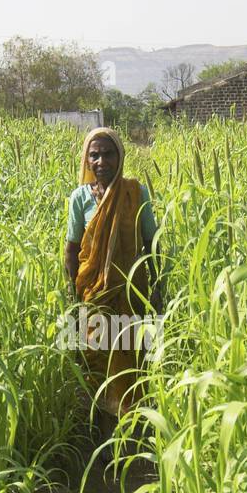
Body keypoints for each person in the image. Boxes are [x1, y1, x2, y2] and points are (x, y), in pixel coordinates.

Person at [63, 127, 161, 440]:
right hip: (92, 295)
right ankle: (103, 434)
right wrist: (74, 294)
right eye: (94, 154)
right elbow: (72, 249)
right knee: (96, 357)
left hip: (131, 293)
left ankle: (133, 431)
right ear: (86, 160)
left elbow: (151, 243)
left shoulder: (136, 192)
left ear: (120, 156)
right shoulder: (79, 198)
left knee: (132, 356)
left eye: (108, 153)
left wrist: (157, 288)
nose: (101, 160)